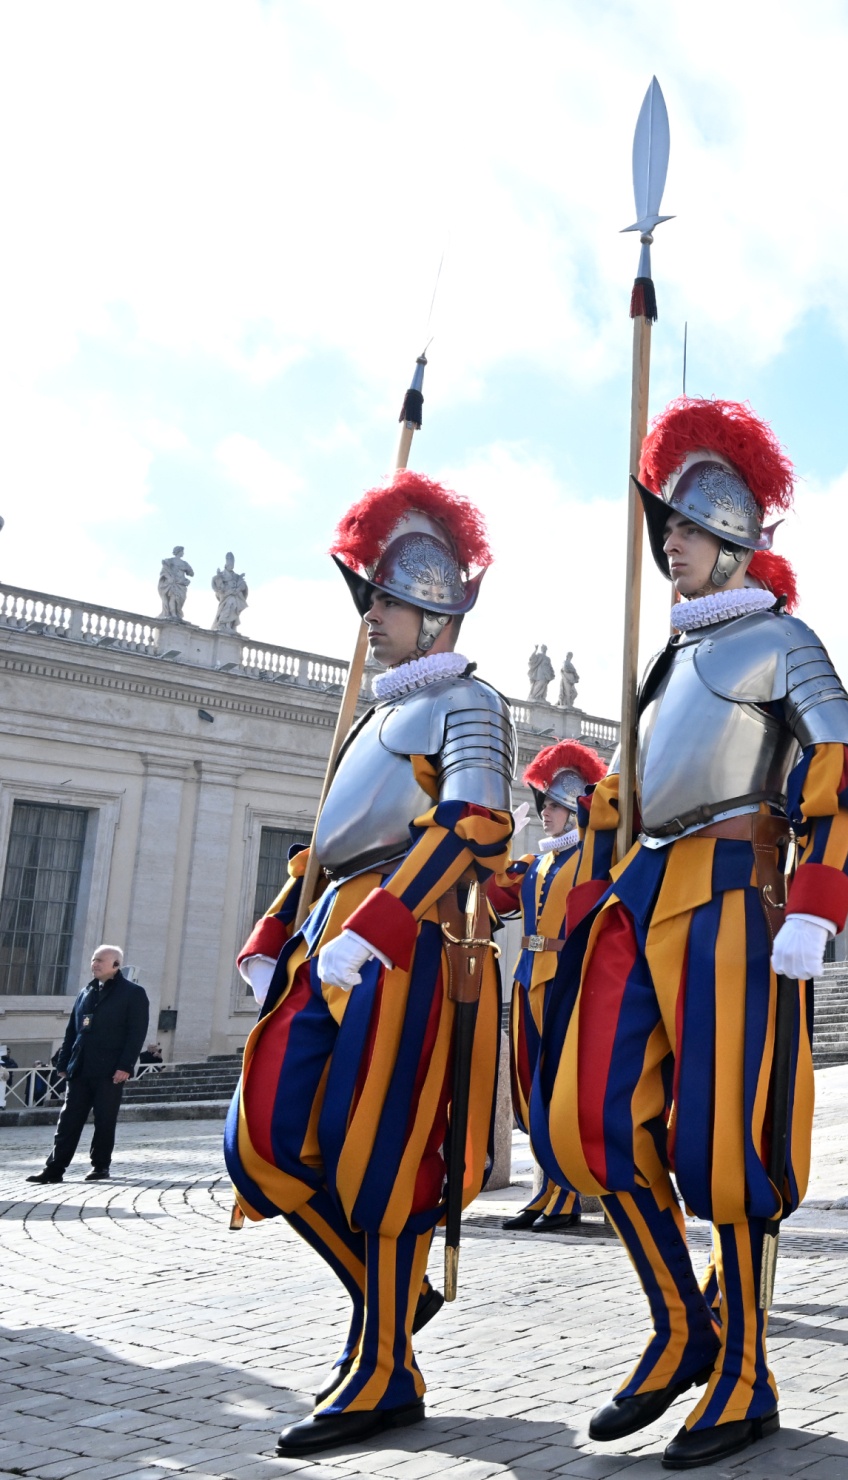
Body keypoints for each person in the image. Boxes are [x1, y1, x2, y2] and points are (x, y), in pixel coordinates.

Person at [534, 399, 848, 1468]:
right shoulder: (665, 661)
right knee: (586, 1120)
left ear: (731, 538)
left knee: (720, 1142)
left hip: (736, 888)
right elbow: (625, 801)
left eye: (682, 527)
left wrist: (820, 900)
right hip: (642, 895)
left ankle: (747, 1373)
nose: (667, 543)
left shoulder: (781, 639)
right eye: (666, 528)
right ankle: (683, 1321)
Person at [227, 471, 512, 1456]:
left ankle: (387, 1361)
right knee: (259, 1136)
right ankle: (388, 1302)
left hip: (410, 935)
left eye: (386, 601)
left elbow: (476, 824)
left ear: (433, 608)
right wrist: (275, 932)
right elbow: (320, 843)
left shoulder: (470, 702)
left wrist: (381, 925)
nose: (372, 618)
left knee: (383, 1152)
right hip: (327, 935)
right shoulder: (365, 720)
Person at [485, 739, 610, 1232]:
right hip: (527, 979)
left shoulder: (587, 858)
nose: (546, 815)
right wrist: (503, 839)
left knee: (560, 1088)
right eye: (544, 807)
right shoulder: (536, 863)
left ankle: (565, 1195)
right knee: (534, 1089)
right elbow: (494, 894)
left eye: (555, 806)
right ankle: (546, 1192)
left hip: (564, 979)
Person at [28, 946, 148, 1184]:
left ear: (116, 964)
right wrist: (64, 1063)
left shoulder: (133, 993)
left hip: (110, 1070)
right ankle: (54, 1169)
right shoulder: (85, 992)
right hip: (80, 1068)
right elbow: (73, 1030)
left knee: (104, 1121)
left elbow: (136, 1034)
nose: (94, 964)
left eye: (100, 961)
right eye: (93, 960)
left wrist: (125, 1066)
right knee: (68, 1120)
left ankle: (100, 1166)